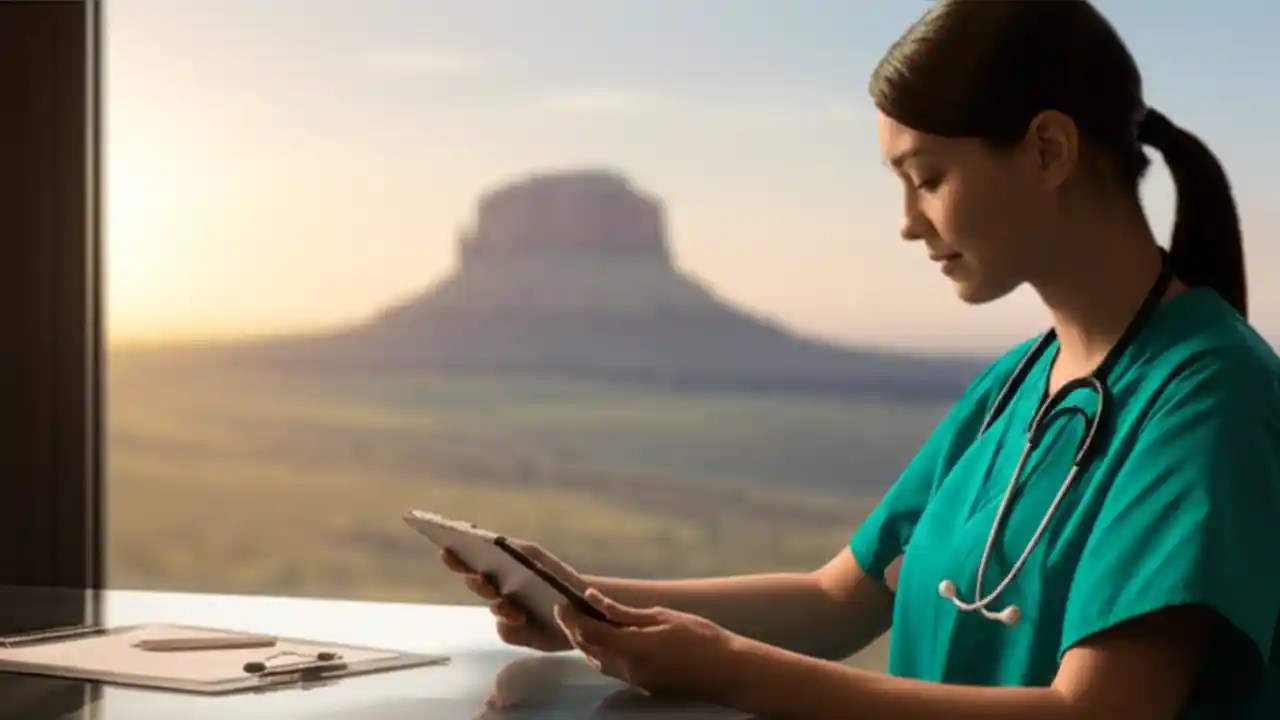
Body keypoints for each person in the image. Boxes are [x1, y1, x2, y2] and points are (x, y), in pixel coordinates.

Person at [441, 1, 1280, 717]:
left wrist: (730, 669)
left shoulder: (1207, 396)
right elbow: (836, 599)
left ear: (1049, 151)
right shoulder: (1021, 383)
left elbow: (1096, 712)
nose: (908, 222)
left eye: (928, 177)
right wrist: (587, 607)